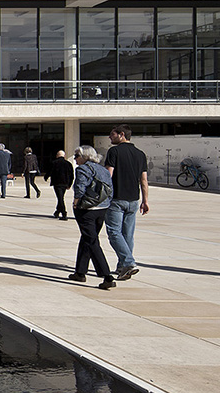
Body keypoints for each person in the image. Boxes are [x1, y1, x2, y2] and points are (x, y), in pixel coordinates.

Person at [104, 124, 150, 281]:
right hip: (133, 200)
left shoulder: (114, 152)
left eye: (112, 134)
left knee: (114, 232)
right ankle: (122, 266)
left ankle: (129, 262)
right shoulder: (140, 154)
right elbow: (143, 180)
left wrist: (102, 196)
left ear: (121, 135)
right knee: (127, 235)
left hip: (116, 199)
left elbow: (108, 176)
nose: (110, 137)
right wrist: (145, 200)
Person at [71, 146, 117, 290]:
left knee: (91, 241)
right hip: (102, 208)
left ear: (85, 156)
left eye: (77, 155)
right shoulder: (102, 169)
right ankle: (80, 271)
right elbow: (110, 188)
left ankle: (107, 276)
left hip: (87, 210)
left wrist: (76, 203)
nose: (75, 158)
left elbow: (80, 188)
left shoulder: (82, 169)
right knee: (87, 238)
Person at [45, 150, 74, 220]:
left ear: (57, 155)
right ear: (64, 156)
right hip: (65, 183)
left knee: (60, 198)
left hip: (57, 183)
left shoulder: (54, 163)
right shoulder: (68, 164)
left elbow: (49, 171)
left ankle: (64, 213)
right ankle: (57, 212)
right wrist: (70, 184)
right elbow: (71, 175)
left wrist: (46, 177)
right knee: (60, 197)